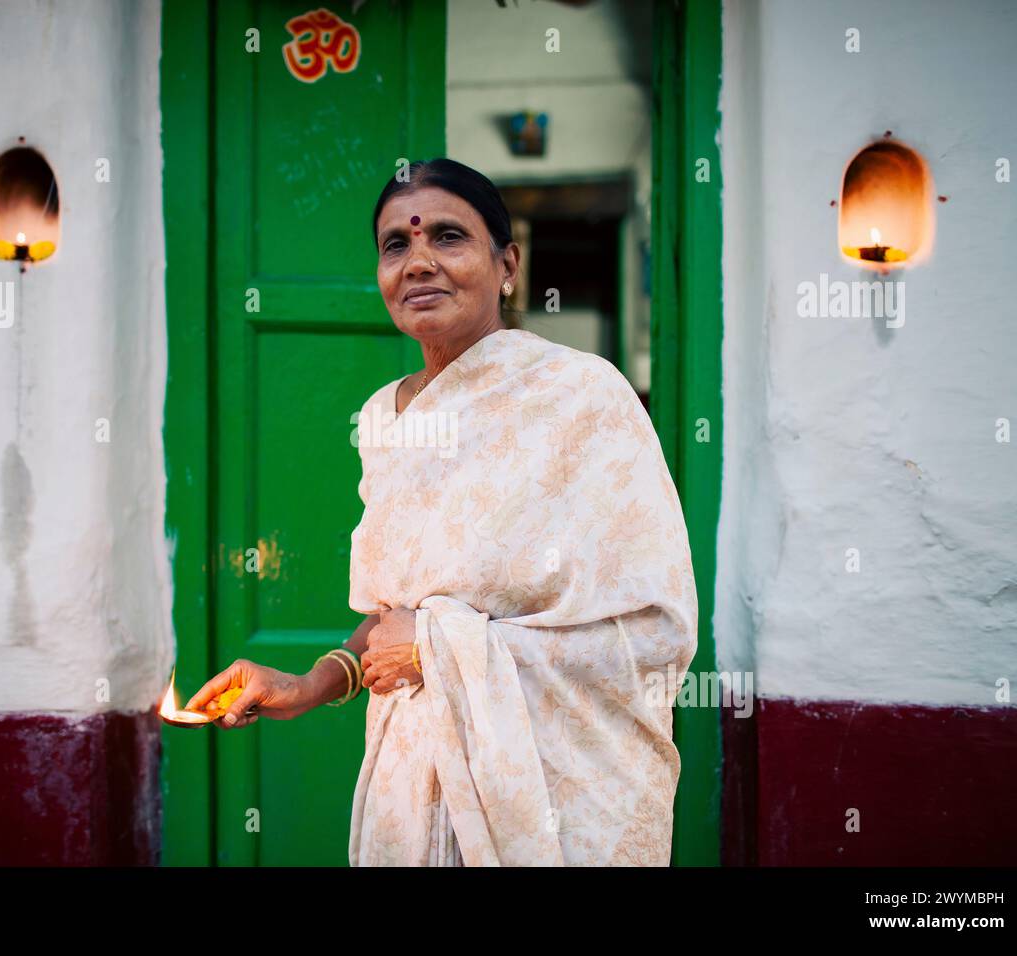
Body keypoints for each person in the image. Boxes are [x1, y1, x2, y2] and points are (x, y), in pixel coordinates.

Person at [187, 158, 697, 866]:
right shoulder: (383, 418)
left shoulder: (582, 396)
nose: (418, 262)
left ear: (507, 264)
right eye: (396, 245)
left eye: (449, 238)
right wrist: (310, 685)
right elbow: (398, 612)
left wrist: (437, 647)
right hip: (412, 791)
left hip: (555, 803)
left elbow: (654, 635)